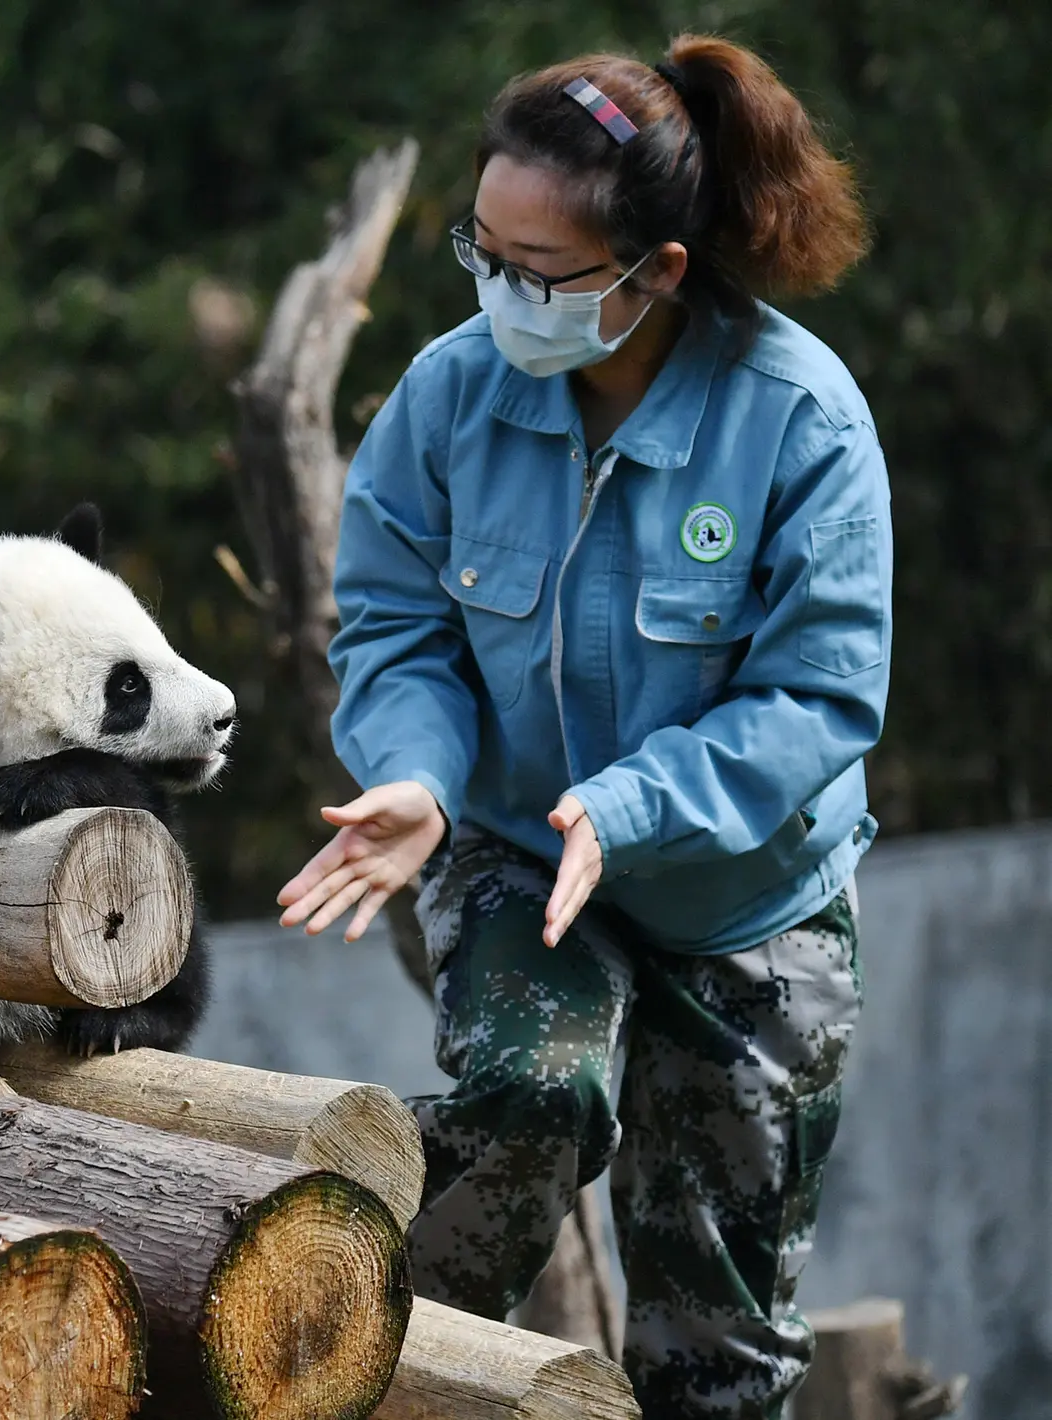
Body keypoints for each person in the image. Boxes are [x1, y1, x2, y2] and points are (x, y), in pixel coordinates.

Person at [274, 35, 890, 1419]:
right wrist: (420, 779)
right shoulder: (447, 394)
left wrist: (626, 806)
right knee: (526, 1099)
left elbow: (817, 698)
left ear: (654, 272)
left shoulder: (800, 424)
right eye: (477, 249)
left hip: (745, 897)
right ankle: (358, 1375)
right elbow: (391, 626)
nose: (497, 292)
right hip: (514, 856)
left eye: (533, 270)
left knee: (717, 1347)